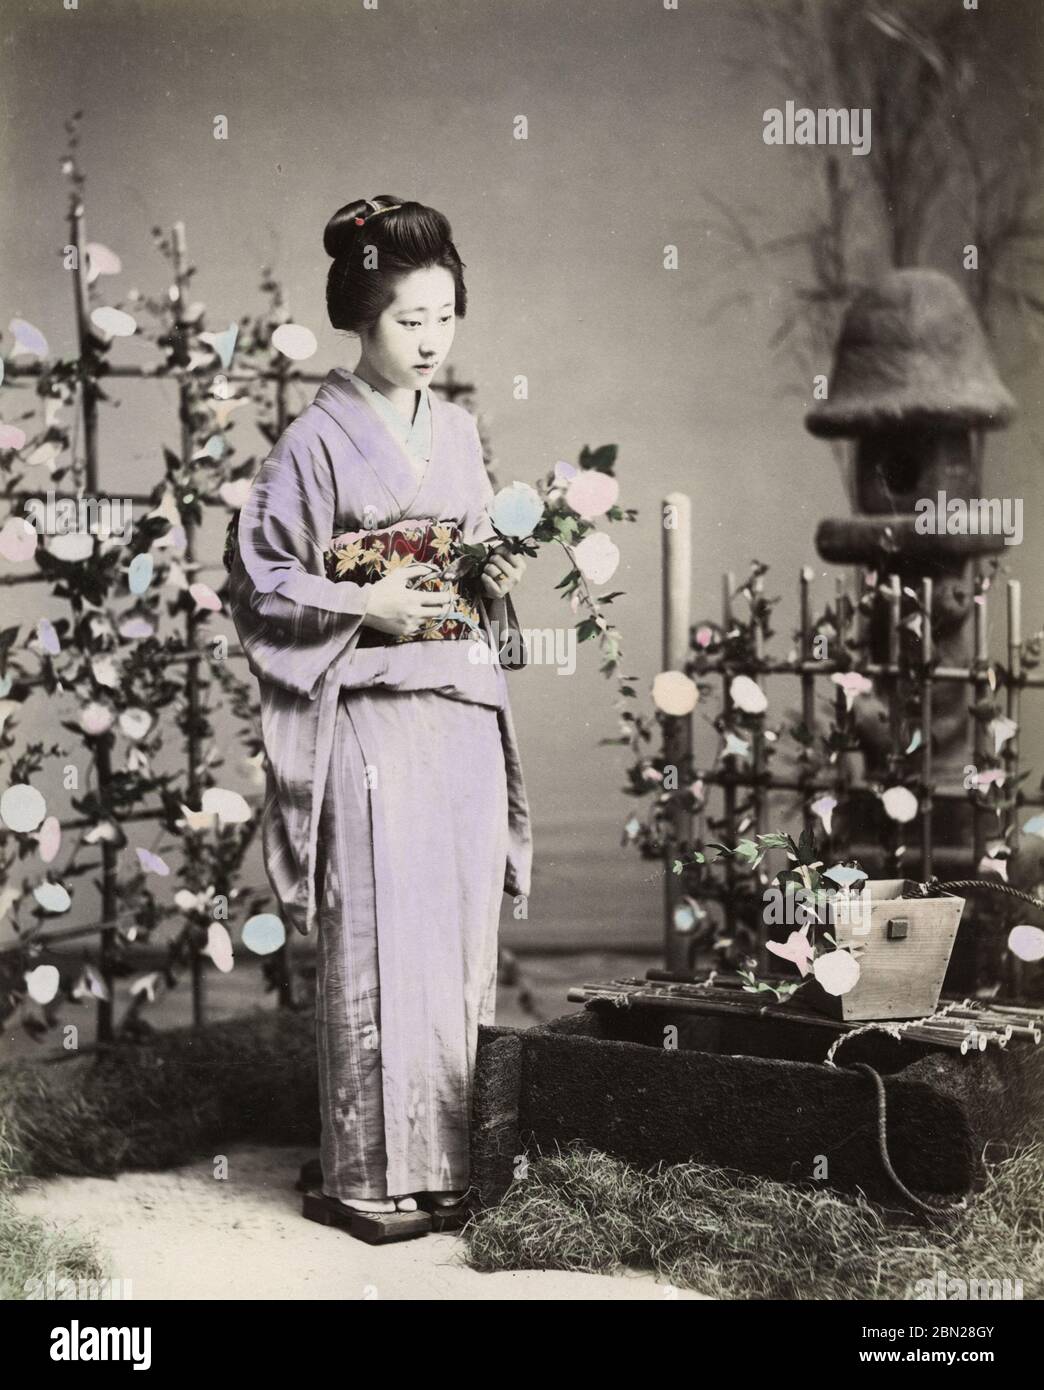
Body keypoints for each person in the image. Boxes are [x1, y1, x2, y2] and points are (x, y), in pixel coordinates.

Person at [226, 196, 533, 1224]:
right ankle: (372, 1174)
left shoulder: (455, 428)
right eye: (410, 319)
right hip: (369, 718)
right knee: (379, 938)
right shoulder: (314, 441)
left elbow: (480, 559)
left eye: (446, 315)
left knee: (454, 940)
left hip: (458, 712)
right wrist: (366, 599)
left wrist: (491, 565)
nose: (432, 339)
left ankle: (456, 1163)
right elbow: (261, 578)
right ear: (362, 317)